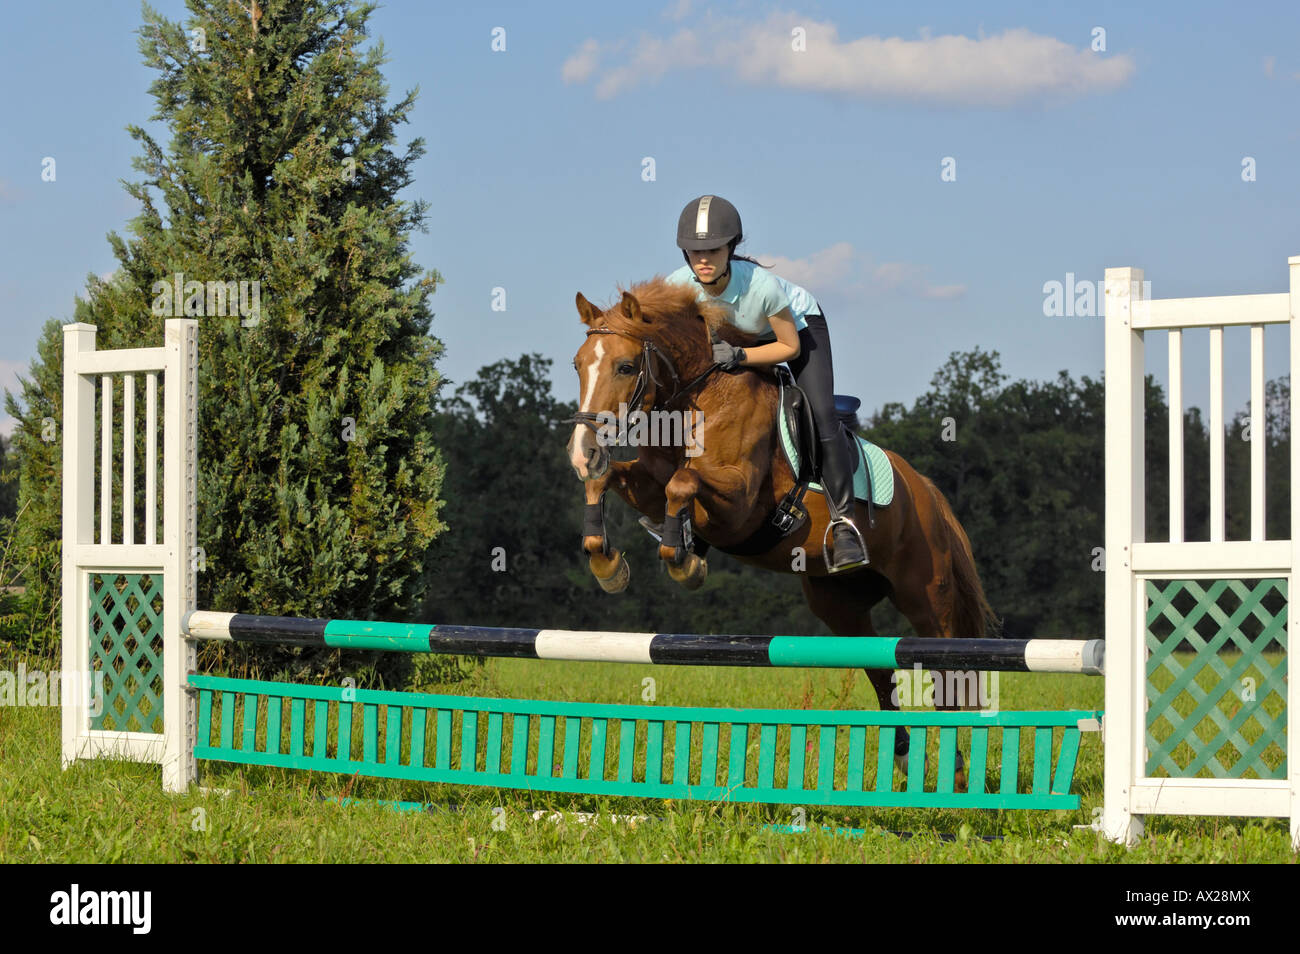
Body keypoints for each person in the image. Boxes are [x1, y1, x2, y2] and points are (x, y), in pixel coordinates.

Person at [666, 194, 867, 571]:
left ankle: (844, 525)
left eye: (712, 249)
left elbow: (788, 347)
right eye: (694, 252)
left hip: (798, 330)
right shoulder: (677, 288)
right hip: (741, 338)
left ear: (732, 247)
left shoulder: (762, 287)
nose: (703, 259)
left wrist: (741, 357)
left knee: (822, 416)